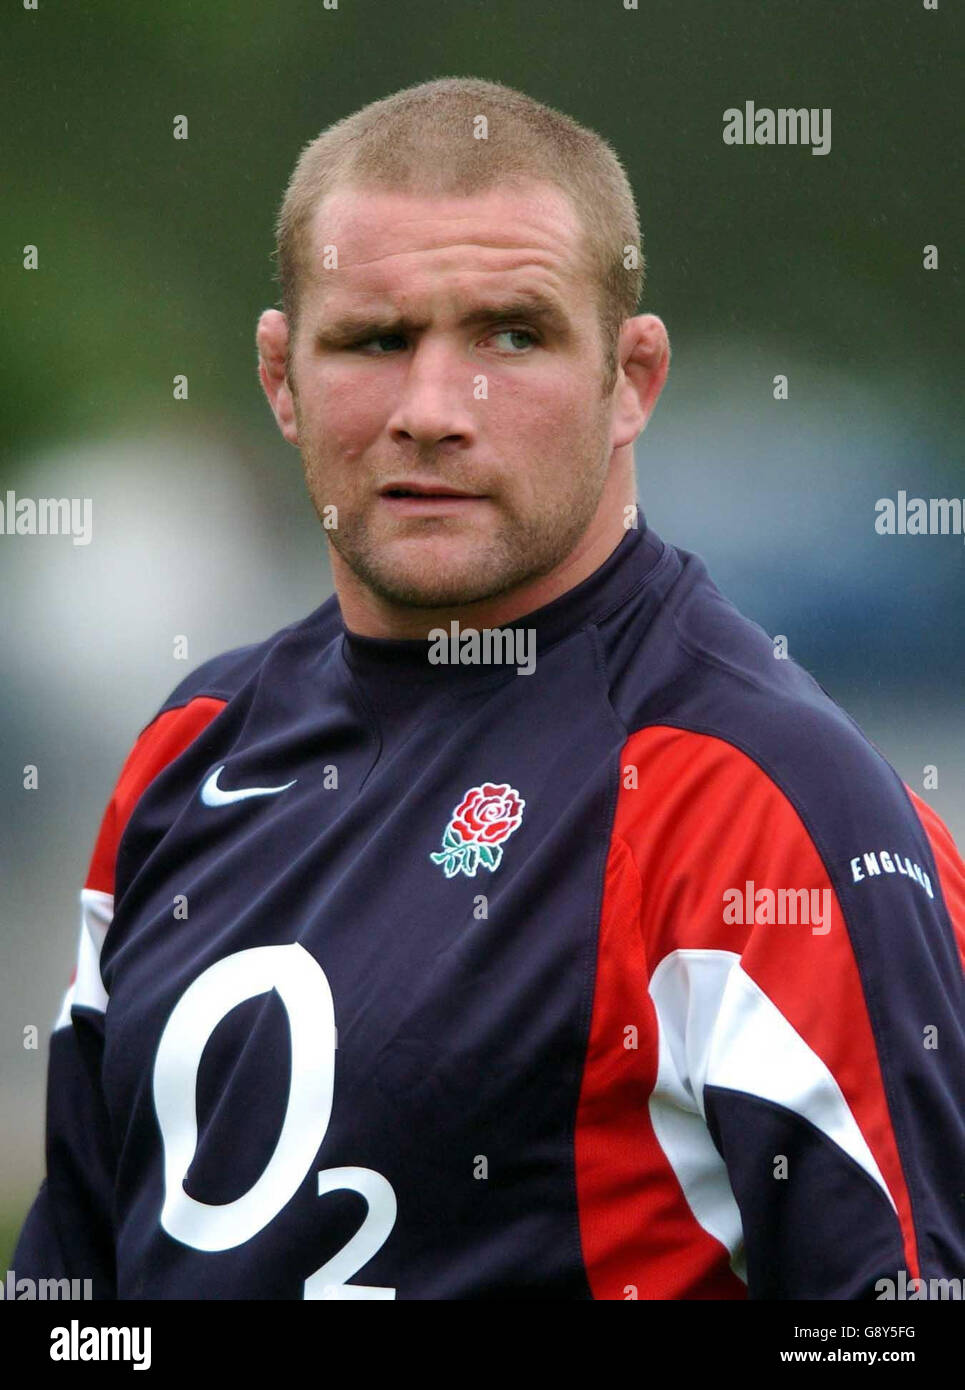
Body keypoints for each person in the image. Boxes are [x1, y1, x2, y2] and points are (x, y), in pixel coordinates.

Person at [14, 76, 965, 1301]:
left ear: (631, 380)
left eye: (510, 336)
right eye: (373, 339)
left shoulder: (755, 804)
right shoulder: (189, 749)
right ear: (279, 376)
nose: (430, 412)